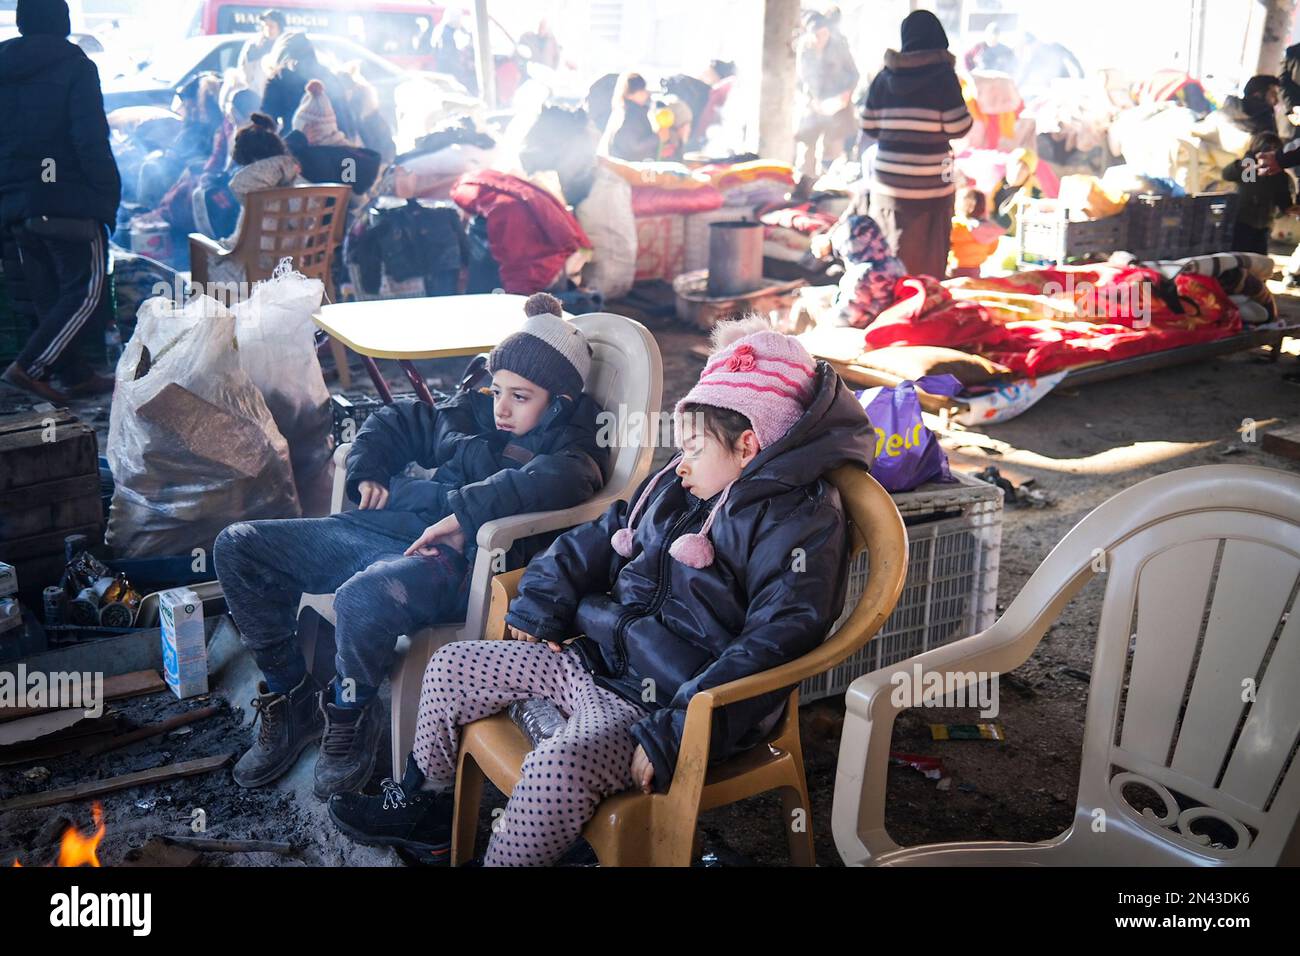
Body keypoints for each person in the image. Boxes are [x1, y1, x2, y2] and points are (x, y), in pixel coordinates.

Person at [326, 317, 874, 865]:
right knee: (452, 667)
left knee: (555, 768)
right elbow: (600, 535)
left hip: (657, 705)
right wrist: (543, 599)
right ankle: (425, 813)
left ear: (749, 444)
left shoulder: (800, 523)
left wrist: (677, 731)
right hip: (590, 659)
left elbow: (777, 641)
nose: (680, 463)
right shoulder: (683, 484)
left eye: (694, 448)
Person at [213, 294, 610, 801]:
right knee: (238, 546)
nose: (502, 408)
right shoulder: (476, 412)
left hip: (455, 562)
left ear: (559, 402)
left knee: (363, 598)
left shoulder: (573, 444)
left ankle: (350, 714)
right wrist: (368, 469)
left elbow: (568, 478)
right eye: (497, 390)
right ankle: (292, 697)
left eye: (521, 396)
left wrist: (464, 516)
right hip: (394, 525)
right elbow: (399, 419)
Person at [0, 0, 121, 403]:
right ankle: (28, 368)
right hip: (68, 198)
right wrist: (106, 195)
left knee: (49, 295)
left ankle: (74, 373)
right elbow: (90, 139)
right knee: (86, 291)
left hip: (16, 203)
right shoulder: (76, 66)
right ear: (64, 21)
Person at [859, 10, 972, 280]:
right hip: (932, 186)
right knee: (927, 266)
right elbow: (959, 126)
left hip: (888, 184)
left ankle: (890, 299)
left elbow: (869, 126)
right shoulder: (943, 77)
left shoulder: (884, 76)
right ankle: (923, 300)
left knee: (890, 259)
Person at [794, 10, 859, 193]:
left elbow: (854, 75)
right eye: (817, 35)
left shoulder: (839, 46)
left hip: (837, 106)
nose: (821, 38)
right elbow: (800, 81)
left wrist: (845, 95)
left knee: (831, 153)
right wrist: (810, 100)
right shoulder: (804, 49)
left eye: (824, 33)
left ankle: (828, 191)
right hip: (812, 106)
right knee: (806, 153)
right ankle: (804, 189)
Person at [260, 32, 357, 142]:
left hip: (296, 150)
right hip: (335, 146)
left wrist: (296, 139)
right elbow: (347, 124)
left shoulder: (279, 78)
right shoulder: (329, 76)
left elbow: (264, 127)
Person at [1222, 132, 1295, 255]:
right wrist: (1246, 164)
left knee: (1258, 257)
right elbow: (1227, 174)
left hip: (1263, 225)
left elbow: (1282, 195)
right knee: (1239, 256)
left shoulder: (1278, 174)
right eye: (1267, 148)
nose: (1271, 151)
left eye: (1275, 149)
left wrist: (1288, 208)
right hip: (1241, 221)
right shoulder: (1248, 168)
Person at [599, 72, 660, 162]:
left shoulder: (632, 111)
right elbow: (634, 147)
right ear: (629, 95)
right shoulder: (629, 116)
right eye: (641, 91)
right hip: (626, 168)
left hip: (626, 166)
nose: (646, 93)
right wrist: (658, 137)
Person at [948, 188, 1004, 278]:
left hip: (955, 268)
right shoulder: (988, 228)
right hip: (976, 270)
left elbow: (943, 245)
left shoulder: (956, 225)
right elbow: (992, 250)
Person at [237, 8, 285, 97]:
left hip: (278, 94)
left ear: (280, 27)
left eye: (271, 26)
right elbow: (244, 68)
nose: (268, 29)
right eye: (265, 25)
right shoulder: (254, 45)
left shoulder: (285, 45)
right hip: (255, 94)